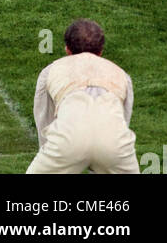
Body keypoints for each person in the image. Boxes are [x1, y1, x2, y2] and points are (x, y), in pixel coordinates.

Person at [26, 18, 140, 175]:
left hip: (68, 142)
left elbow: (44, 120)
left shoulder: (50, 71)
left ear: (67, 50)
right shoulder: (122, 75)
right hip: (113, 145)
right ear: (101, 51)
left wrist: (50, 155)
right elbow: (122, 122)